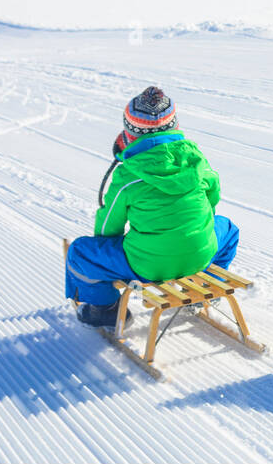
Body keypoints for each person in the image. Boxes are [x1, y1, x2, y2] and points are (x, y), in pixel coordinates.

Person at [65, 86, 241, 328]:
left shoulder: (128, 175)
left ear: (130, 133)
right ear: (175, 126)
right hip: (201, 254)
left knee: (80, 252)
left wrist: (112, 244)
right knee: (228, 229)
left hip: (147, 265)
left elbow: (108, 227)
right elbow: (213, 196)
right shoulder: (197, 161)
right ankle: (206, 286)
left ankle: (105, 309)